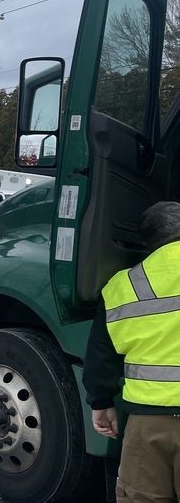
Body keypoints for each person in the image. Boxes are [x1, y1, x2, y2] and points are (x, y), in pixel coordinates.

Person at [83, 201, 180, 502]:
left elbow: (101, 354)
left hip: (147, 424)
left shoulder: (122, 287)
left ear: (146, 241)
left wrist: (100, 402)